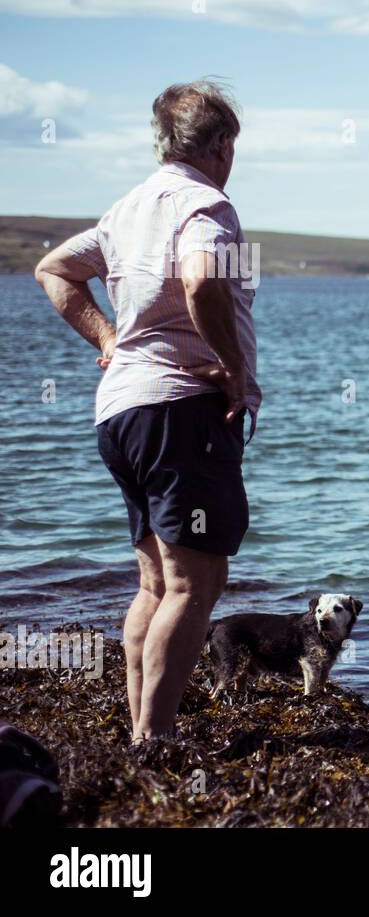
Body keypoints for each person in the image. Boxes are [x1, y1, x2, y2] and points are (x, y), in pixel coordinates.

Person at [33, 79, 260, 744]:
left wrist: (109, 339)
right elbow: (199, 279)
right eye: (232, 147)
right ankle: (155, 736)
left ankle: (143, 727)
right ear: (220, 147)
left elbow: (53, 269)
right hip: (180, 411)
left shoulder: (128, 207)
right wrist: (233, 366)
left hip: (122, 414)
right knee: (197, 580)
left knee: (157, 580)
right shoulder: (205, 203)